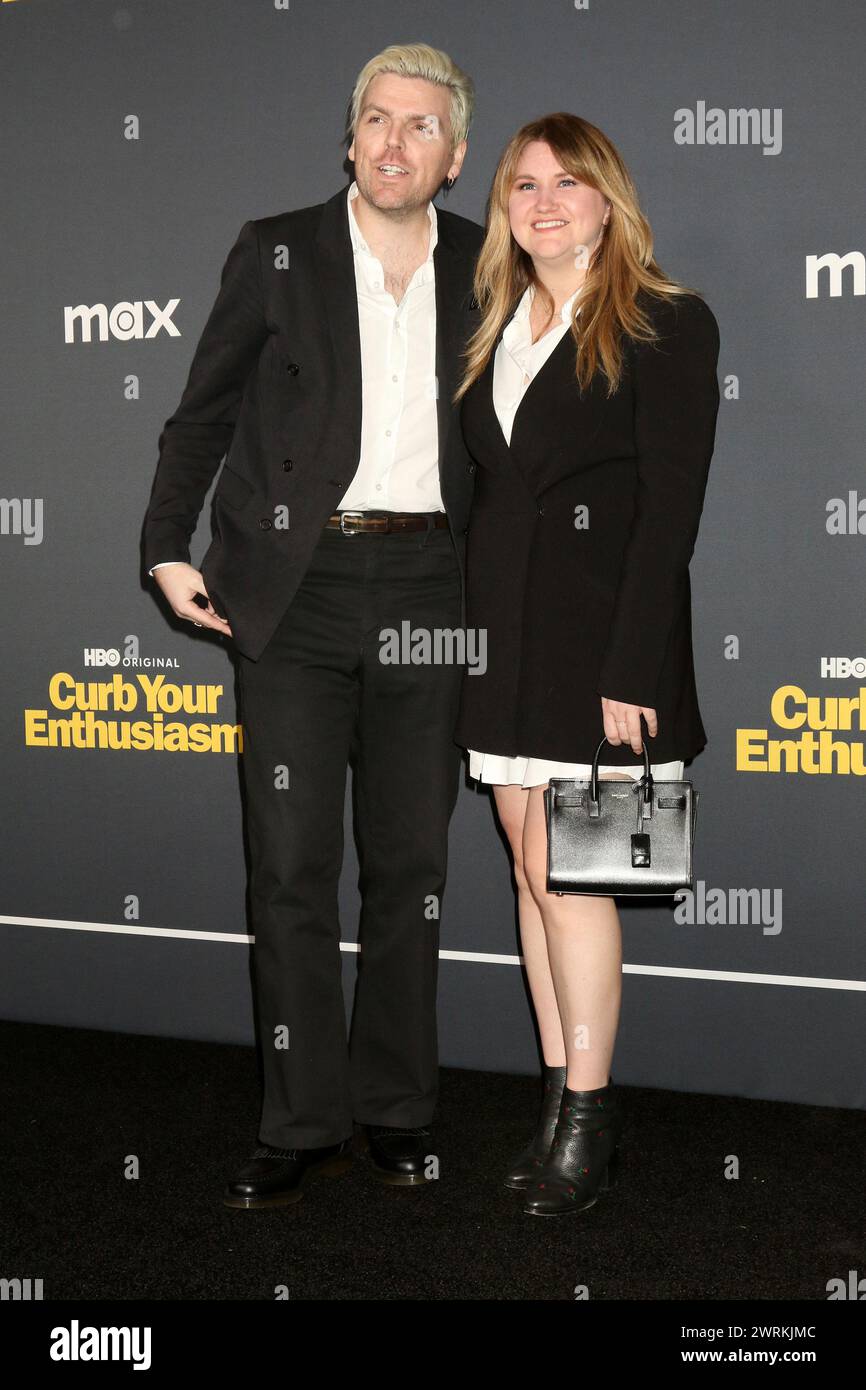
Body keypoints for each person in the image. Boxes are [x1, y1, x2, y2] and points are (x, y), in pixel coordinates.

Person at [141, 44, 484, 1206]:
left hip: (433, 588)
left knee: (411, 863)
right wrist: (162, 546)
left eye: (419, 127)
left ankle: (394, 1107)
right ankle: (301, 1119)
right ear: (349, 137)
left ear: (454, 155)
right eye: (375, 121)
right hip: (292, 588)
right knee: (289, 867)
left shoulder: (492, 263)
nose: (393, 143)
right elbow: (200, 413)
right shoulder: (274, 247)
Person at [452, 113, 721, 1217]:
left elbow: (668, 515)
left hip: (602, 650)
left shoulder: (663, 321)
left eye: (568, 182)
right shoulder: (495, 327)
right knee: (527, 869)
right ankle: (561, 1094)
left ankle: (591, 1121)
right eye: (522, 185)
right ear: (503, 209)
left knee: (577, 879)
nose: (543, 201)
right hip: (501, 647)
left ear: (609, 199)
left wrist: (634, 670)